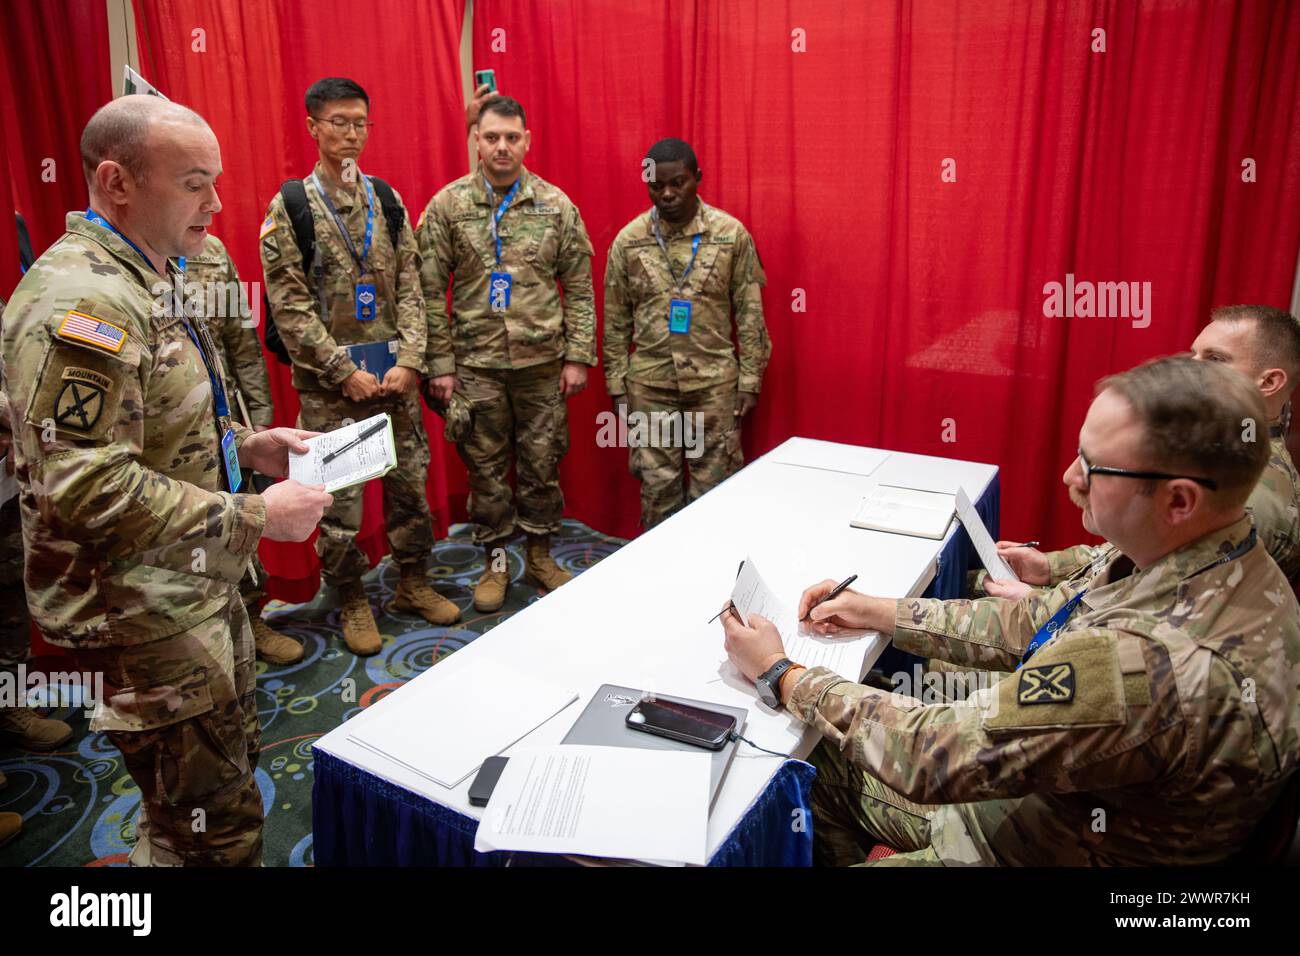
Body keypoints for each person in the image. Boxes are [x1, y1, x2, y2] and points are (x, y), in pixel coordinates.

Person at [722, 356, 1300, 865]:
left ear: (1178, 499)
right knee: (814, 757)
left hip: (1026, 843)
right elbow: (1033, 620)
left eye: (1095, 468)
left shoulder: (1147, 662)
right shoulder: (1220, 558)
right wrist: (876, 611)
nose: (1069, 478)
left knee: (790, 758)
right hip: (1041, 810)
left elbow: (933, 756)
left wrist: (782, 672)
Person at [1, 94, 331, 865]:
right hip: (142, 612)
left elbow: (159, 427)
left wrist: (250, 447)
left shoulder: (145, 269)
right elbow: (83, 487)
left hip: (186, 590)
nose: (216, 204)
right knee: (208, 834)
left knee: (215, 797)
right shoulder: (86, 300)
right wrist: (255, 517)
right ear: (117, 181)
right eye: (193, 183)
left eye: (215, 181)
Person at [261, 77, 458, 656]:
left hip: (394, 383)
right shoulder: (291, 206)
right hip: (333, 391)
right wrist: (340, 368)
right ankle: (350, 597)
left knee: (410, 493)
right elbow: (289, 306)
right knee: (338, 504)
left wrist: (414, 361)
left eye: (360, 123)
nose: (351, 133)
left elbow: (415, 289)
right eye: (339, 122)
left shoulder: (388, 201)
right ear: (313, 127)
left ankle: (412, 583)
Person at [985, 305, 1300, 601]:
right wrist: (1050, 567)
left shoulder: (1252, 500)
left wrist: (1036, 601)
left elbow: (1159, 608)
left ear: (1269, 381)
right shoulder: (1225, 443)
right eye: (1194, 354)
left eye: (1215, 359)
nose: (1191, 369)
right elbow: (1136, 550)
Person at [416, 95, 596, 612]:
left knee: (542, 465)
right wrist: (442, 366)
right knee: (487, 471)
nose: (501, 147)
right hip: (476, 368)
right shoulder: (448, 206)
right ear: (476, 139)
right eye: (491, 137)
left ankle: (540, 556)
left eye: (511, 137)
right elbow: (429, 290)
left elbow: (579, 286)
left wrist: (578, 355)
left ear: (527, 141)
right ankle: (495, 564)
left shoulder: (555, 205)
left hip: (542, 367)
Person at [603, 138, 771, 529]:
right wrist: (616, 386)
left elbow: (749, 313)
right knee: (657, 488)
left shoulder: (730, 235)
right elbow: (614, 320)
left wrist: (750, 380)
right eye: (656, 186)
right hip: (649, 385)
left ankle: (712, 576)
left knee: (714, 489)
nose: (667, 194)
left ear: (697, 178)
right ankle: (661, 578)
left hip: (713, 384)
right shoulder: (628, 241)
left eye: (678, 183)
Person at [184, 233, 302, 664]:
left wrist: (262, 421)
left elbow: (244, 346)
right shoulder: (115, 272)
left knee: (239, 526)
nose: (209, 203)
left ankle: (251, 620)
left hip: (225, 427)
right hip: (169, 442)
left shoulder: (212, 252)